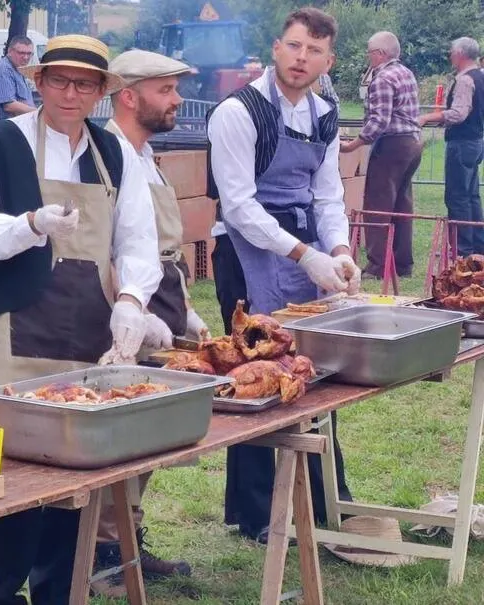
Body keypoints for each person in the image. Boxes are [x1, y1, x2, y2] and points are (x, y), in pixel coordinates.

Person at [0, 34, 163, 605]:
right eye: (59, 81)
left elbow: (139, 241)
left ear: (101, 92)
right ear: (39, 83)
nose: (71, 94)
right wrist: (29, 225)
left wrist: (134, 301)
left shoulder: (116, 153)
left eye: (85, 84)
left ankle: (59, 593)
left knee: (76, 483)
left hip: (88, 341)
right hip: (14, 340)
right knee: (10, 478)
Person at [206, 7, 358, 545]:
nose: (302, 58)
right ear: (277, 48)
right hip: (247, 249)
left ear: (328, 60)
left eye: (314, 51)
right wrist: (305, 255)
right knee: (254, 376)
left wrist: (336, 249)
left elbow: (328, 194)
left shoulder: (324, 113)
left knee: (312, 369)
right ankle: (255, 514)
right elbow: (240, 205)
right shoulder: (237, 111)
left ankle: (321, 500)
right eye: (294, 46)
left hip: (303, 246)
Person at [89, 49, 203, 597]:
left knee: (151, 436)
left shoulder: (146, 153)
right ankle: (104, 555)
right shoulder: (110, 155)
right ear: (129, 96)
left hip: (165, 304)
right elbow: (110, 248)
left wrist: (184, 309)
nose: (176, 99)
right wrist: (136, 311)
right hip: (129, 317)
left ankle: (128, 542)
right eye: (165, 90)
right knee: (125, 435)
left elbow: (161, 246)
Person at [339, 31, 421, 279]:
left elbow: (379, 121)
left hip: (392, 146)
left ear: (380, 53)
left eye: (370, 52)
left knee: (377, 205)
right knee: (401, 205)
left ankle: (377, 267)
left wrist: (353, 145)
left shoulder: (383, 78)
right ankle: (402, 264)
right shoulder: (406, 73)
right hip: (412, 143)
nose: (368, 57)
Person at [419, 37, 484, 256]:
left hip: (462, 143)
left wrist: (429, 116)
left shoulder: (465, 80)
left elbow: (459, 113)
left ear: (460, 54)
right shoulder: (481, 76)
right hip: (476, 142)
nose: (450, 55)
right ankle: (477, 247)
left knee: (457, 197)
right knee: (471, 196)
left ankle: (461, 250)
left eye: (452, 52)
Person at [0, 35, 37, 124]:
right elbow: (9, 105)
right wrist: (39, 113)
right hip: (3, 128)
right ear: (10, 51)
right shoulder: (3, 70)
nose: (26, 57)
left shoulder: (18, 68)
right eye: (21, 53)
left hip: (15, 126)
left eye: (29, 53)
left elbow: (24, 101)